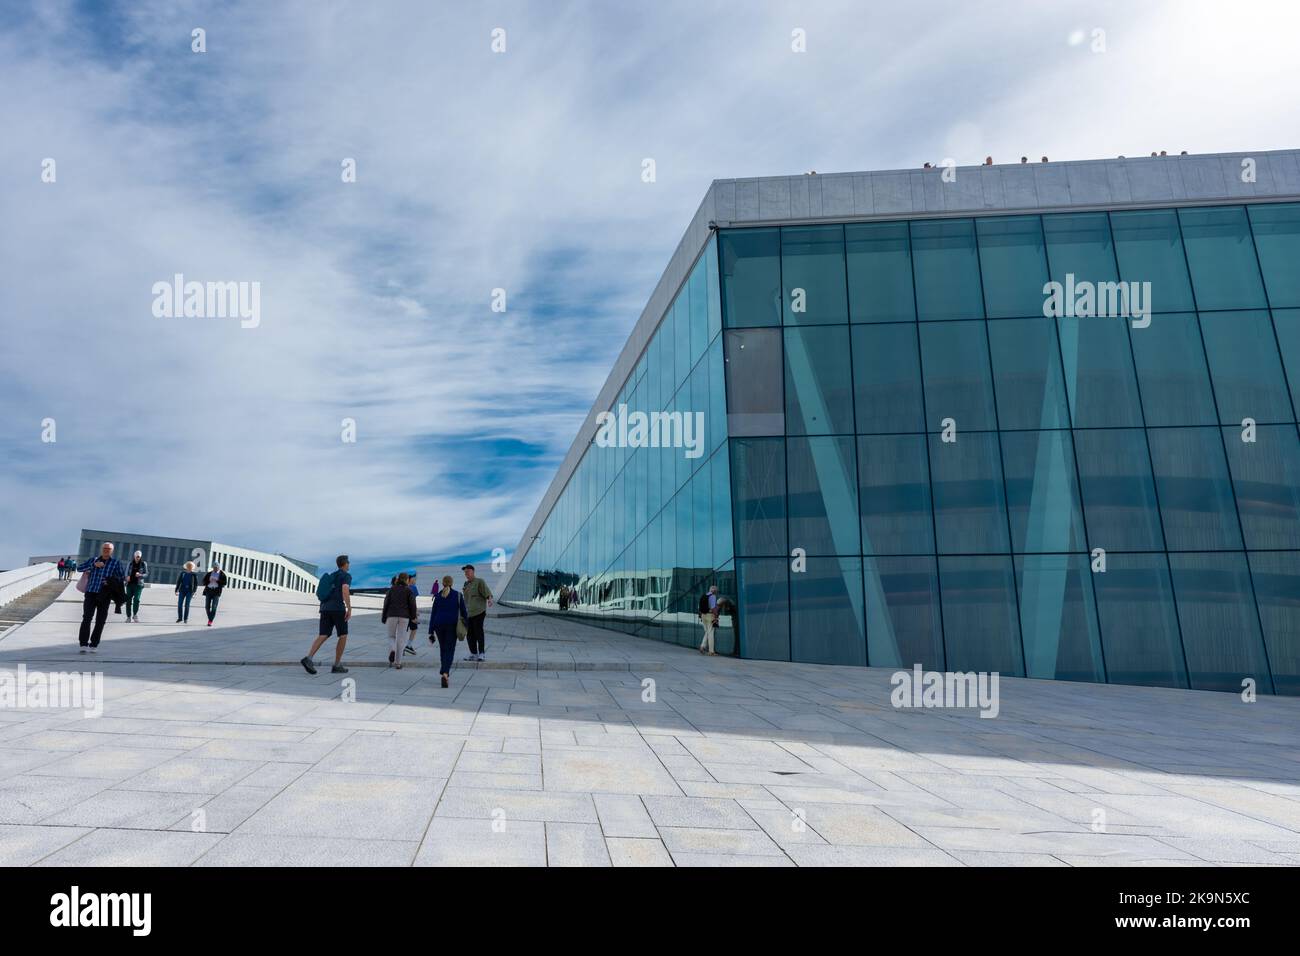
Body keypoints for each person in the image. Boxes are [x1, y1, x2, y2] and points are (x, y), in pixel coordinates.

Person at [300, 555, 352, 675]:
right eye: (348, 562)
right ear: (345, 564)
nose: (349, 564)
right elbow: (345, 589)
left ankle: (309, 658)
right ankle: (337, 665)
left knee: (323, 634)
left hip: (324, 608)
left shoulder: (332, 575)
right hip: (338, 609)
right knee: (343, 635)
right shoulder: (345, 575)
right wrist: (349, 608)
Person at [75, 542, 125, 653]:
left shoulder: (116, 563)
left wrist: (110, 581)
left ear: (112, 551)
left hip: (105, 595)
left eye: (109, 549)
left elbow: (121, 577)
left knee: (100, 620)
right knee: (87, 618)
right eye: (105, 548)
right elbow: (79, 568)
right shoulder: (93, 560)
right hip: (91, 593)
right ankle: (83, 643)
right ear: (101, 549)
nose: (106, 550)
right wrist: (94, 565)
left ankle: (94, 644)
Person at [428, 574, 467, 688]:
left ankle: (444, 669)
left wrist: (431, 631)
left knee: (443, 648)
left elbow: (433, 614)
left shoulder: (437, 596)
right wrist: (467, 626)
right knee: (450, 650)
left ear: (442, 583)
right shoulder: (458, 595)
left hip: (439, 625)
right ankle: (445, 673)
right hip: (452, 625)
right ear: (452, 583)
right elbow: (464, 613)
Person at [381, 572, 418, 670]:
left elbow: (386, 604)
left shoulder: (391, 590)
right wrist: (413, 617)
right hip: (404, 617)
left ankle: (393, 649)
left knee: (391, 636)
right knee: (401, 639)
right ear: (406, 580)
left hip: (391, 615)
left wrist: (384, 617)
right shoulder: (409, 591)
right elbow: (412, 605)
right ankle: (398, 663)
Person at [461, 563, 493, 662]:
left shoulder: (479, 581)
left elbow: (487, 592)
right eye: (465, 572)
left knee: (478, 632)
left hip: (479, 612)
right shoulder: (466, 584)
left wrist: (489, 599)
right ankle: (473, 653)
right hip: (468, 613)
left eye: (468, 571)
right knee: (469, 634)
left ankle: (482, 653)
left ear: (473, 572)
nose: (466, 574)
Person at [124, 550, 149, 622]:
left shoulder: (143, 564)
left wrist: (140, 575)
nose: (137, 558)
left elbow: (146, 573)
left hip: (138, 585)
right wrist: (126, 577)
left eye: (139, 557)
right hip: (129, 584)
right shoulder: (130, 563)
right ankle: (128, 617)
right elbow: (126, 573)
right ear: (134, 556)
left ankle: (135, 615)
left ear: (140, 557)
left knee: (136, 600)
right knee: (128, 600)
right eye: (136, 556)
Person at [698, 584, 719, 656]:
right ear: (715, 591)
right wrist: (716, 617)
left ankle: (703, 646)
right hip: (710, 615)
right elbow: (713, 608)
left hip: (703, 615)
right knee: (710, 632)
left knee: (707, 631)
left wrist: (701, 615)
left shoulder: (704, 595)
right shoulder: (713, 596)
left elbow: (699, 607)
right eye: (716, 591)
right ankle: (711, 651)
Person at [403, 572, 420, 657]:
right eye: (413, 578)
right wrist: (415, 612)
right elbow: (413, 602)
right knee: (414, 628)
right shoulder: (413, 588)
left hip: (403, 613)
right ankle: (408, 645)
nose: (415, 580)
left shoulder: (403, 587)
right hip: (411, 613)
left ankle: (401, 647)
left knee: (403, 631)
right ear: (409, 580)